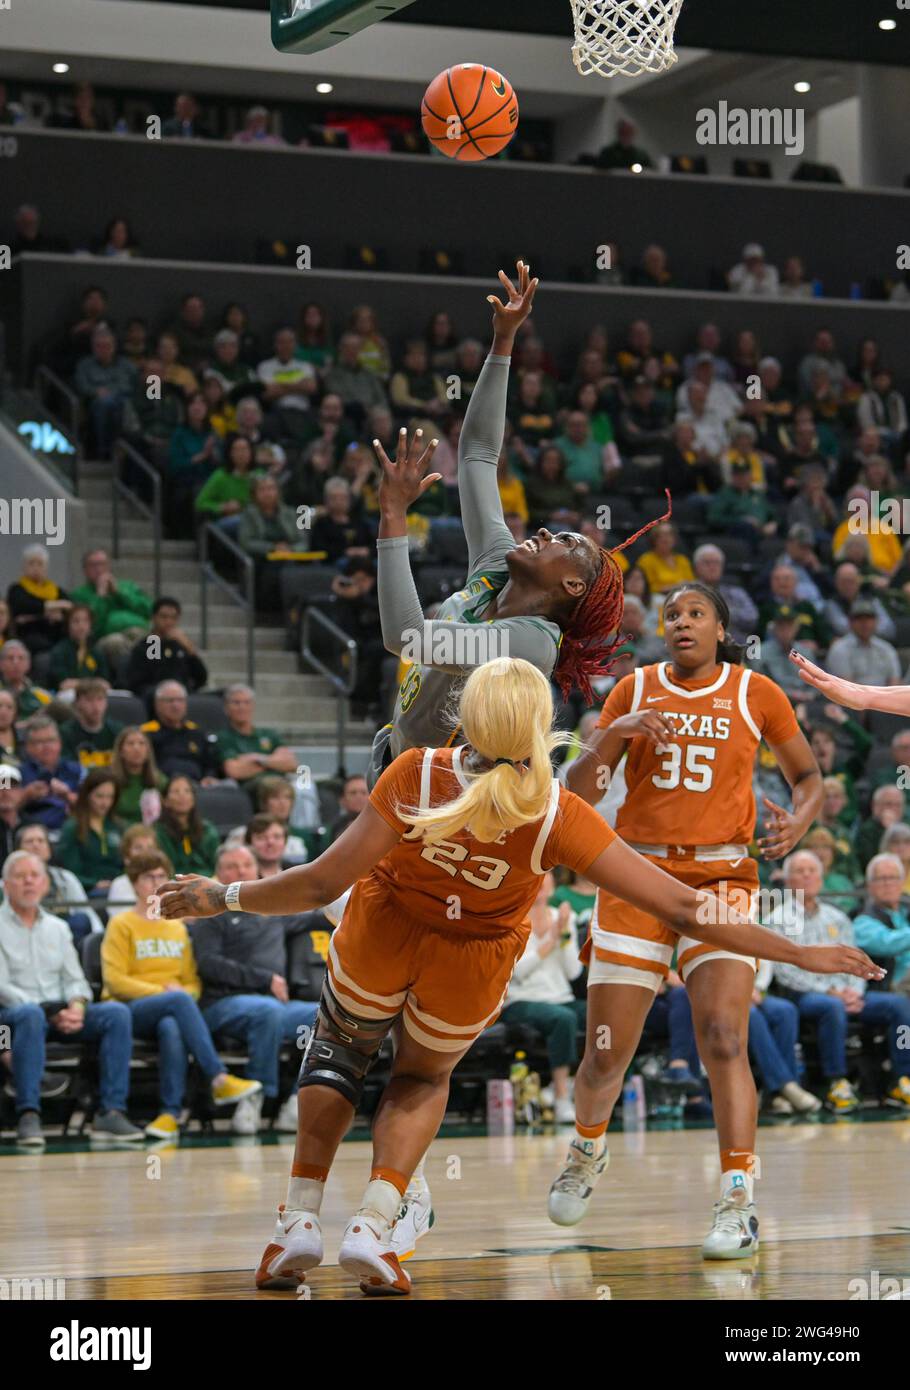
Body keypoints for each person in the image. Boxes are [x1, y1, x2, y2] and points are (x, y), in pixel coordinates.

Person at [157, 657, 877, 1295]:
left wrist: (220, 898)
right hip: (468, 963)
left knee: (340, 1053)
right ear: (539, 727)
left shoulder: (419, 773)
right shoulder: (555, 812)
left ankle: (299, 1223)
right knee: (419, 1080)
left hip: (386, 933)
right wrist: (800, 952)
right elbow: (688, 907)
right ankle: (374, 1225)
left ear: (467, 716)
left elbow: (319, 883)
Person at [559, 579, 836, 1257]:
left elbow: (808, 778)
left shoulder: (755, 692)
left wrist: (799, 822)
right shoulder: (632, 690)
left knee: (722, 1036)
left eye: (695, 613)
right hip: (638, 875)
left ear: (720, 627)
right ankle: (587, 1151)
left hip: (722, 878)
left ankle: (738, 1199)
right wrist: (612, 733)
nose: (681, 623)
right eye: (671, 615)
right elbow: (578, 796)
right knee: (603, 1056)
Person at [367, 261, 668, 788]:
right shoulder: (496, 568)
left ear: (572, 586)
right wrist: (503, 342)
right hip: (396, 763)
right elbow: (480, 454)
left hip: (446, 798)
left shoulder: (532, 643)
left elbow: (408, 638)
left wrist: (394, 519)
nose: (549, 532)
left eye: (566, 542)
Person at [102, 850, 260, 1141]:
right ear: (135, 883)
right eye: (149, 876)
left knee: (173, 1026)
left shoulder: (176, 928)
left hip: (172, 1010)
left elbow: (192, 983)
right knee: (178, 1003)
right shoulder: (122, 924)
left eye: (162, 876)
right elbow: (115, 982)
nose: (156, 882)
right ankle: (218, 1077)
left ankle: (170, 1114)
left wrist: (180, 995)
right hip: (128, 1010)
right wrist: (164, 992)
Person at [0, 850, 143, 1147]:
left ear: (45, 884)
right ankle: (29, 1114)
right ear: (6, 884)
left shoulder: (59, 928)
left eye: (35, 876)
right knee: (30, 1014)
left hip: (61, 1013)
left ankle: (111, 1111)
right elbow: (2, 986)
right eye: (20, 876)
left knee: (116, 1014)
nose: (28, 882)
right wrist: (48, 1010)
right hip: (14, 1018)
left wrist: (77, 1005)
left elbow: (75, 979)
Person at [767, 851, 910, 1112]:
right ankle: (837, 1082)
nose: (808, 875)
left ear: (822, 879)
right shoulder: (776, 920)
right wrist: (831, 991)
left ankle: (903, 1077)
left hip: (848, 991)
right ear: (787, 881)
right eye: (800, 871)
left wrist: (853, 990)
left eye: (813, 870)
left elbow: (857, 959)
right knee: (830, 1007)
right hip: (804, 994)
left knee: (900, 1005)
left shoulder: (837, 917)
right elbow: (785, 971)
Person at [190, 844, 319, 1135]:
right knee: (267, 1011)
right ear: (218, 874)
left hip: (272, 1006)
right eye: (231, 866)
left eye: (246, 865)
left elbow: (319, 911)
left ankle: (300, 1098)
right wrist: (264, 979)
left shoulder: (274, 909)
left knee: (320, 1013)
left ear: (257, 871)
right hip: (221, 1004)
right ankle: (257, 1099)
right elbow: (208, 964)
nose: (240, 871)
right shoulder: (211, 914)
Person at [499, 873, 585, 1124]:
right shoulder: (513, 919)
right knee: (564, 1019)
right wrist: (551, 939)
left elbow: (573, 972)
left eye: (546, 882)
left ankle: (572, 1084)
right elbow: (517, 972)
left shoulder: (560, 917)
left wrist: (565, 935)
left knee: (600, 1016)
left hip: (560, 996)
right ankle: (560, 1097)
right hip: (521, 1000)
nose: (542, 886)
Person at [15, 822, 105, 946]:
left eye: (41, 841)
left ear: (49, 850)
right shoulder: (9, 883)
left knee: (81, 920)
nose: (36, 845)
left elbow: (85, 909)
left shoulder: (66, 878)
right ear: (18, 850)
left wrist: (100, 939)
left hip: (66, 933)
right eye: (29, 841)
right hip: (26, 933)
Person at [71, 549, 152, 668]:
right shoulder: (79, 595)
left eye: (102, 564)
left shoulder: (127, 586)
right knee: (116, 642)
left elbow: (148, 610)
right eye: (93, 565)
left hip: (138, 631)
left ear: (109, 566)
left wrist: (119, 593)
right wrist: (100, 596)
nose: (99, 569)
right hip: (104, 639)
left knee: (153, 639)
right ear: (85, 570)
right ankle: (128, 681)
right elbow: (92, 627)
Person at [55, 769, 124, 896]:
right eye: (99, 796)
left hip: (119, 888)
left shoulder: (119, 827)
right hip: (86, 891)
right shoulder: (72, 828)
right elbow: (69, 872)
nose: (105, 803)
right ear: (87, 795)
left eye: (110, 797)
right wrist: (93, 883)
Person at [215, 685, 297, 790]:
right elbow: (234, 771)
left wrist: (257, 759)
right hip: (253, 787)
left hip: (283, 784)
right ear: (226, 708)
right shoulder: (224, 737)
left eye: (247, 702)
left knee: (306, 785)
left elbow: (292, 764)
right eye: (236, 703)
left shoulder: (269, 734)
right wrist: (274, 762)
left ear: (253, 706)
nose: (242, 707)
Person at [125, 600, 208, 702]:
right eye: (164, 617)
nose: (169, 622)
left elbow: (202, 678)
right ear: (154, 618)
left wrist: (190, 650)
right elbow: (137, 682)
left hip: (183, 697)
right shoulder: (146, 646)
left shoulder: (182, 646)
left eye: (173, 618)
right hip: (155, 698)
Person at [73, 326, 136, 460]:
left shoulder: (127, 365)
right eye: (99, 346)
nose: (103, 349)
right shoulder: (85, 365)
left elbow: (138, 384)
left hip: (125, 401)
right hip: (95, 403)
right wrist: (95, 391)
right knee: (105, 404)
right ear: (93, 348)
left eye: (107, 345)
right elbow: (81, 386)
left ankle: (126, 448)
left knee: (123, 405)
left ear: (114, 346)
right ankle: (106, 450)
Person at [853, 854, 910, 995]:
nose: (888, 883)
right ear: (869, 885)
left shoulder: (907, 910)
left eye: (893, 878)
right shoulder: (862, 920)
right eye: (881, 878)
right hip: (888, 988)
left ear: (902, 882)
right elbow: (888, 943)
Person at [140, 681, 219, 781]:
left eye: (180, 700)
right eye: (170, 700)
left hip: (197, 787)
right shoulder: (146, 733)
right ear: (157, 704)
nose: (175, 705)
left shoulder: (197, 732)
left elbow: (210, 764)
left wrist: (209, 777)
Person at [7, 545, 72, 657]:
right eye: (31, 563)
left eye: (40, 564)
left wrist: (34, 614)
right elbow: (23, 605)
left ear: (46, 568)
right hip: (28, 638)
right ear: (24, 567)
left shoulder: (57, 591)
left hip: (56, 637)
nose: (36, 568)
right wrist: (55, 606)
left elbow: (69, 608)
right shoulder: (17, 589)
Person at [18, 717, 81, 831]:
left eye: (51, 740)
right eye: (39, 742)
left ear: (60, 743)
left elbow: (94, 803)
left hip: (72, 831)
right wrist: (25, 795)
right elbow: (3, 806)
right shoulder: (15, 772)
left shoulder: (77, 769)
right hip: (34, 833)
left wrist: (67, 796)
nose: (46, 746)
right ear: (27, 747)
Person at [154, 775, 221, 876]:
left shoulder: (207, 830)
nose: (182, 795)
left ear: (193, 799)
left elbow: (217, 864)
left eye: (187, 791)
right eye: (176, 791)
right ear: (165, 801)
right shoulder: (158, 832)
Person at [59, 679, 123, 770]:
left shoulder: (117, 730)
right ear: (77, 703)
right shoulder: (65, 732)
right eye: (89, 700)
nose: (96, 706)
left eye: (100, 699)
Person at [110, 725, 167, 826]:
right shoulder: (109, 781)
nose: (136, 748)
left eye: (142, 743)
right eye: (130, 744)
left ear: (148, 751)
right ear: (121, 751)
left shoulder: (160, 780)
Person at [47, 605, 110, 690]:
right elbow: (64, 685)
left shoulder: (96, 651)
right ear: (68, 625)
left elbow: (105, 683)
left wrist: (77, 683)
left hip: (94, 695)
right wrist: (94, 683)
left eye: (86, 621)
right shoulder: (60, 651)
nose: (81, 626)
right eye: (76, 621)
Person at [105, 823, 159, 913]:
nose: (145, 853)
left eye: (150, 848)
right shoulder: (119, 885)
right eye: (138, 848)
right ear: (127, 857)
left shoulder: (163, 881)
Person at [0, 642, 52, 721]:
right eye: (10, 658)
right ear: (1, 663)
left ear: (28, 664)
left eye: (21, 658)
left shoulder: (40, 694)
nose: (16, 662)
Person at [327, 776, 369, 843]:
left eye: (364, 792)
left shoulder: (384, 824)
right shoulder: (337, 828)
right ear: (342, 800)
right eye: (353, 793)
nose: (358, 797)